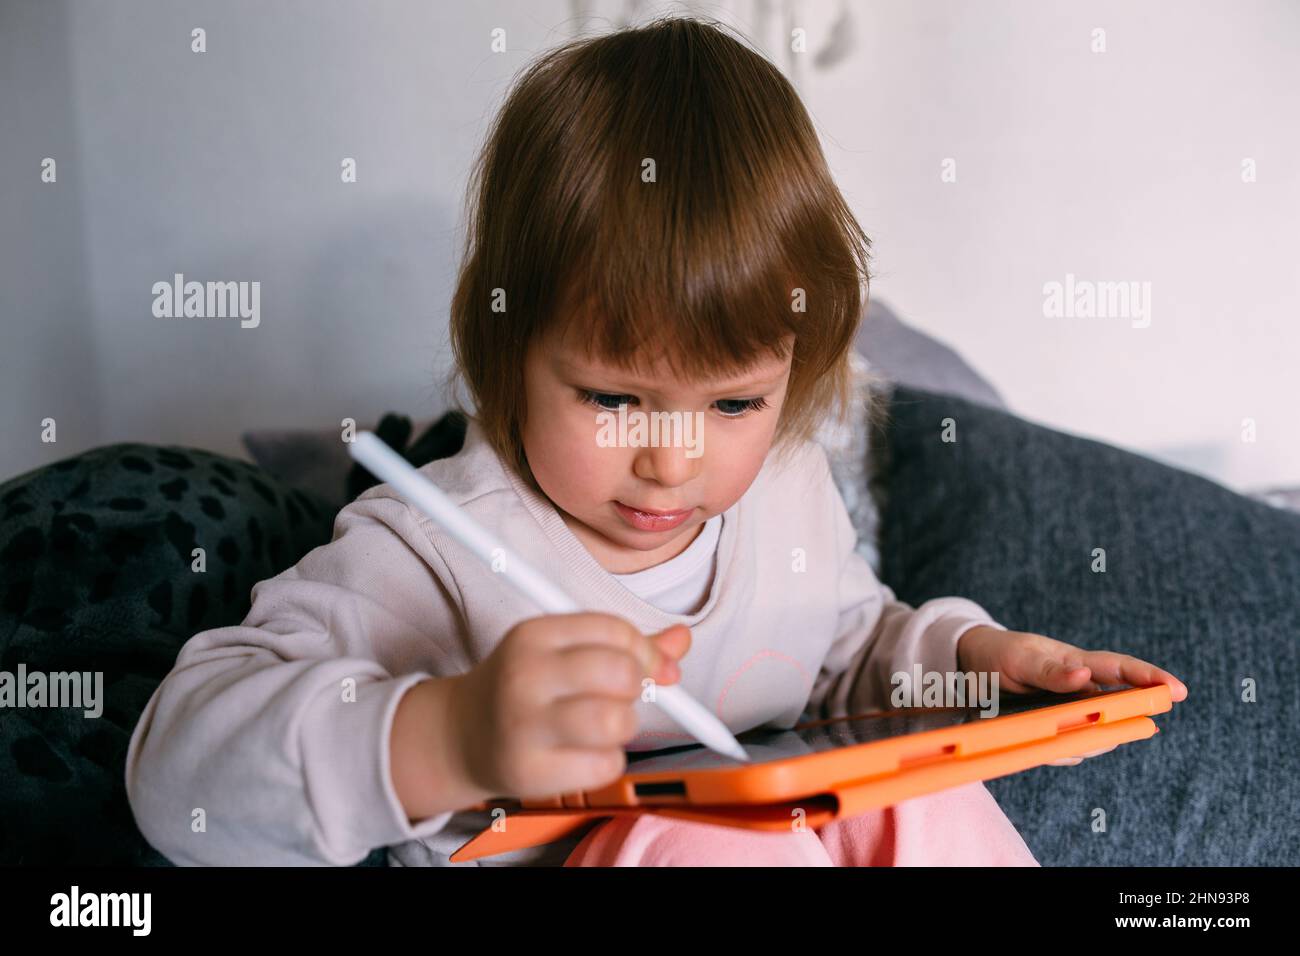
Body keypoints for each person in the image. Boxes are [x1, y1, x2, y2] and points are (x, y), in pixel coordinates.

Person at [125, 16, 1186, 867]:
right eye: (613, 398)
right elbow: (178, 780)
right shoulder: (433, 545)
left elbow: (848, 649)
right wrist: (446, 733)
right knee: (689, 839)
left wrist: (970, 662)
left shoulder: (785, 491)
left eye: (734, 404)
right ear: (504, 347)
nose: (674, 459)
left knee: (926, 795)